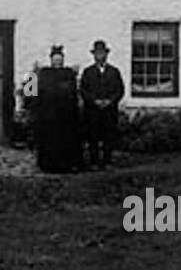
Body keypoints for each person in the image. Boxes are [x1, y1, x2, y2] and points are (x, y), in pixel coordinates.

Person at [32, 45, 81, 173]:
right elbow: (35, 92)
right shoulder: (44, 73)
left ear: (63, 60)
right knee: (49, 141)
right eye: (55, 59)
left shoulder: (68, 73)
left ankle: (66, 165)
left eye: (60, 59)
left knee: (65, 140)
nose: (57, 61)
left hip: (65, 115)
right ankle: (48, 165)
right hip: (49, 115)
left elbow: (73, 93)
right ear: (51, 60)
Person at [79, 40, 124, 170]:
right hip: (93, 111)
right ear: (94, 55)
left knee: (108, 136)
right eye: (97, 53)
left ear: (106, 54)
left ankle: (107, 161)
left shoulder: (114, 71)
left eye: (102, 53)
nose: (100, 56)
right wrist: (94, 101)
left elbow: (119, 90)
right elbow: (83, 90)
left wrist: (110, 101)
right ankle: (94, 162)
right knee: (93, 136)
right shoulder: (88, 72)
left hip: (109, 110)